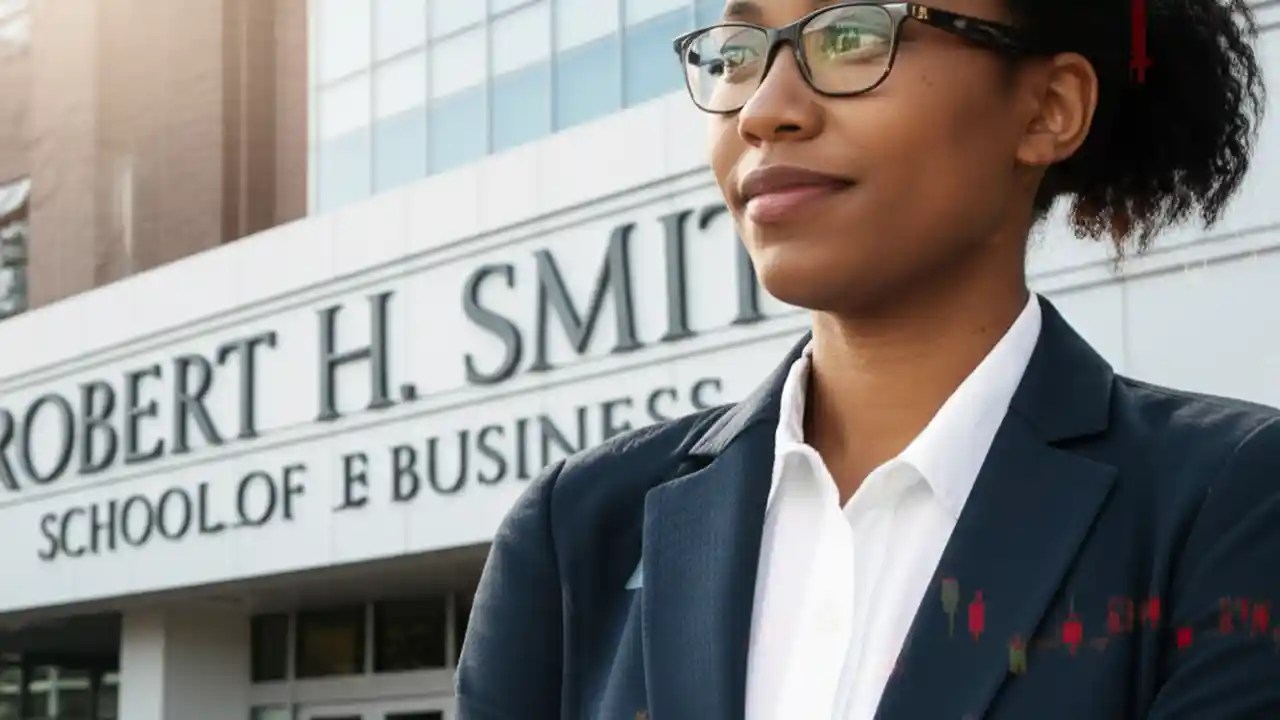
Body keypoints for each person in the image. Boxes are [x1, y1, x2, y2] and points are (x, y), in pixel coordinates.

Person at [456, 0, 1278, 717]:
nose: (764, 110)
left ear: (1047, 110)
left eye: (852, 34)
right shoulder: (580, 527)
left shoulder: (1228, 504)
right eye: (738, 55)